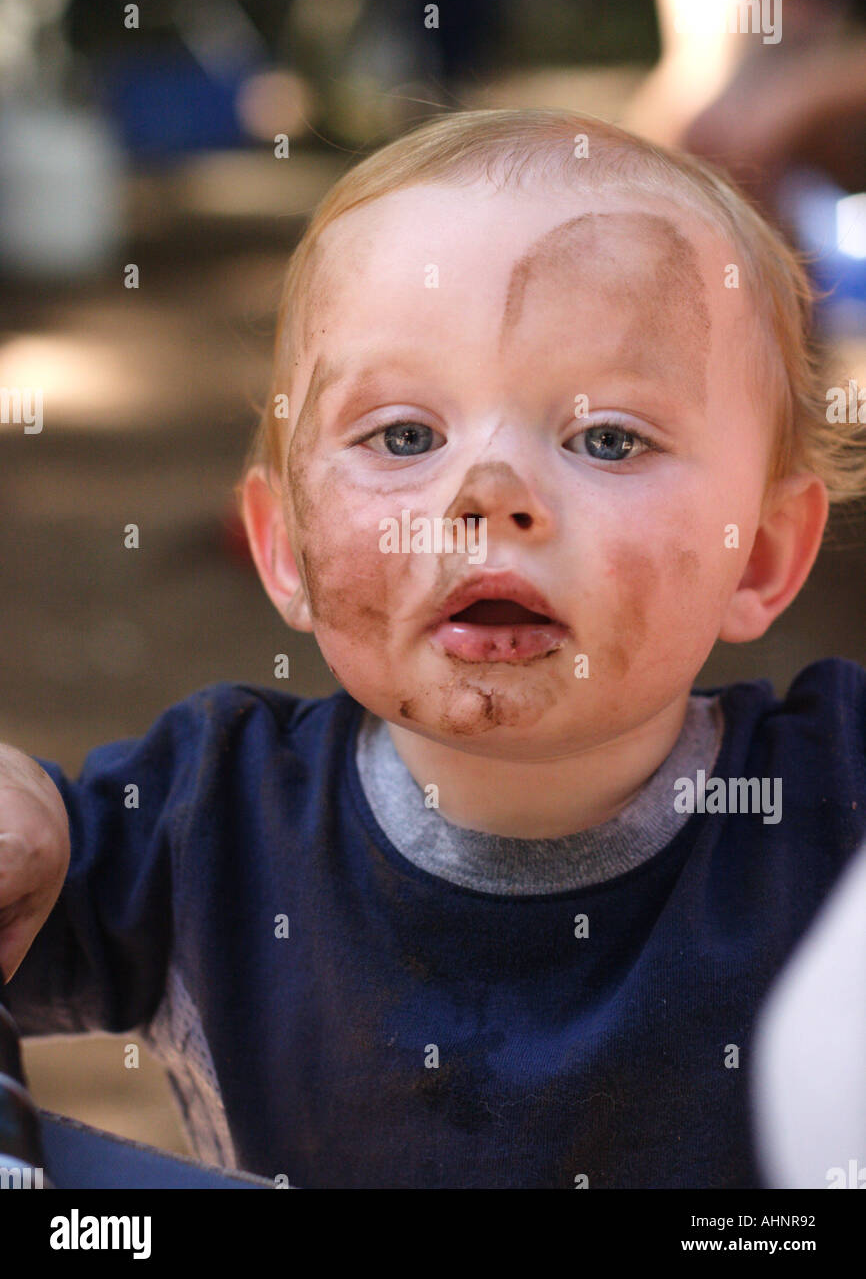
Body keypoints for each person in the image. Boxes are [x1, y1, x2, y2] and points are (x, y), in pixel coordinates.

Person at [1, 108, 864, 1188]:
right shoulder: (206, 826)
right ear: (287, 549)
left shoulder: (835, 799)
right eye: (404, 435)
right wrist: (24, 807)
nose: (488, 493)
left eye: (607, 438)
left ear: (761, 554)